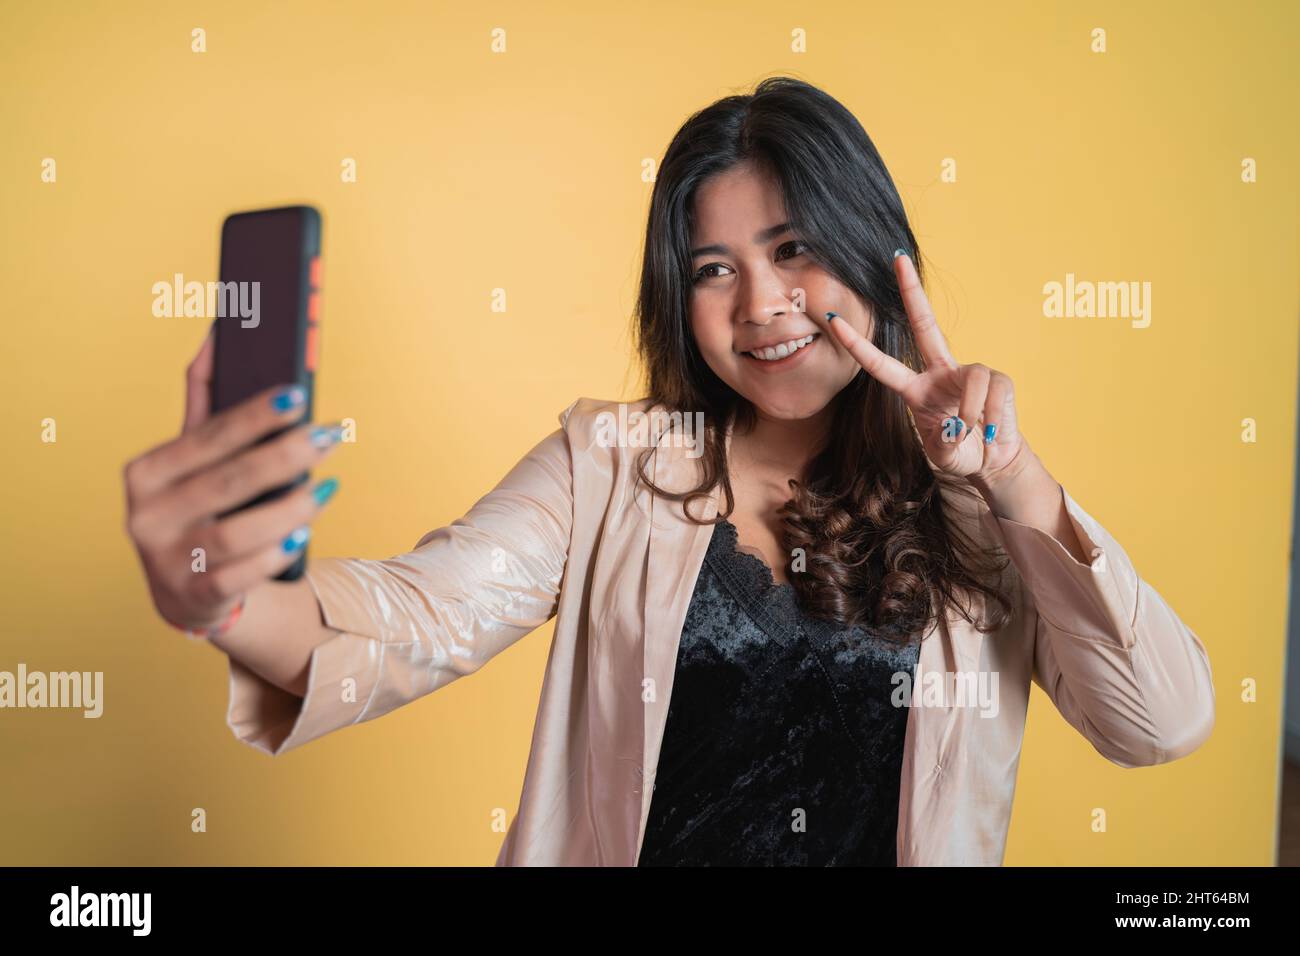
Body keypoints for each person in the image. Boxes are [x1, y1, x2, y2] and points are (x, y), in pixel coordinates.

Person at [123, 76, 1215, 866]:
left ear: (874, 251)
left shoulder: (986, 515)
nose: (760, 304)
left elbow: (1158, 721)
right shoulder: (608, 464)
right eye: (713, 270)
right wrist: (221, 594)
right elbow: (410, 620)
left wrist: (1013, 484)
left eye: (792, 249)